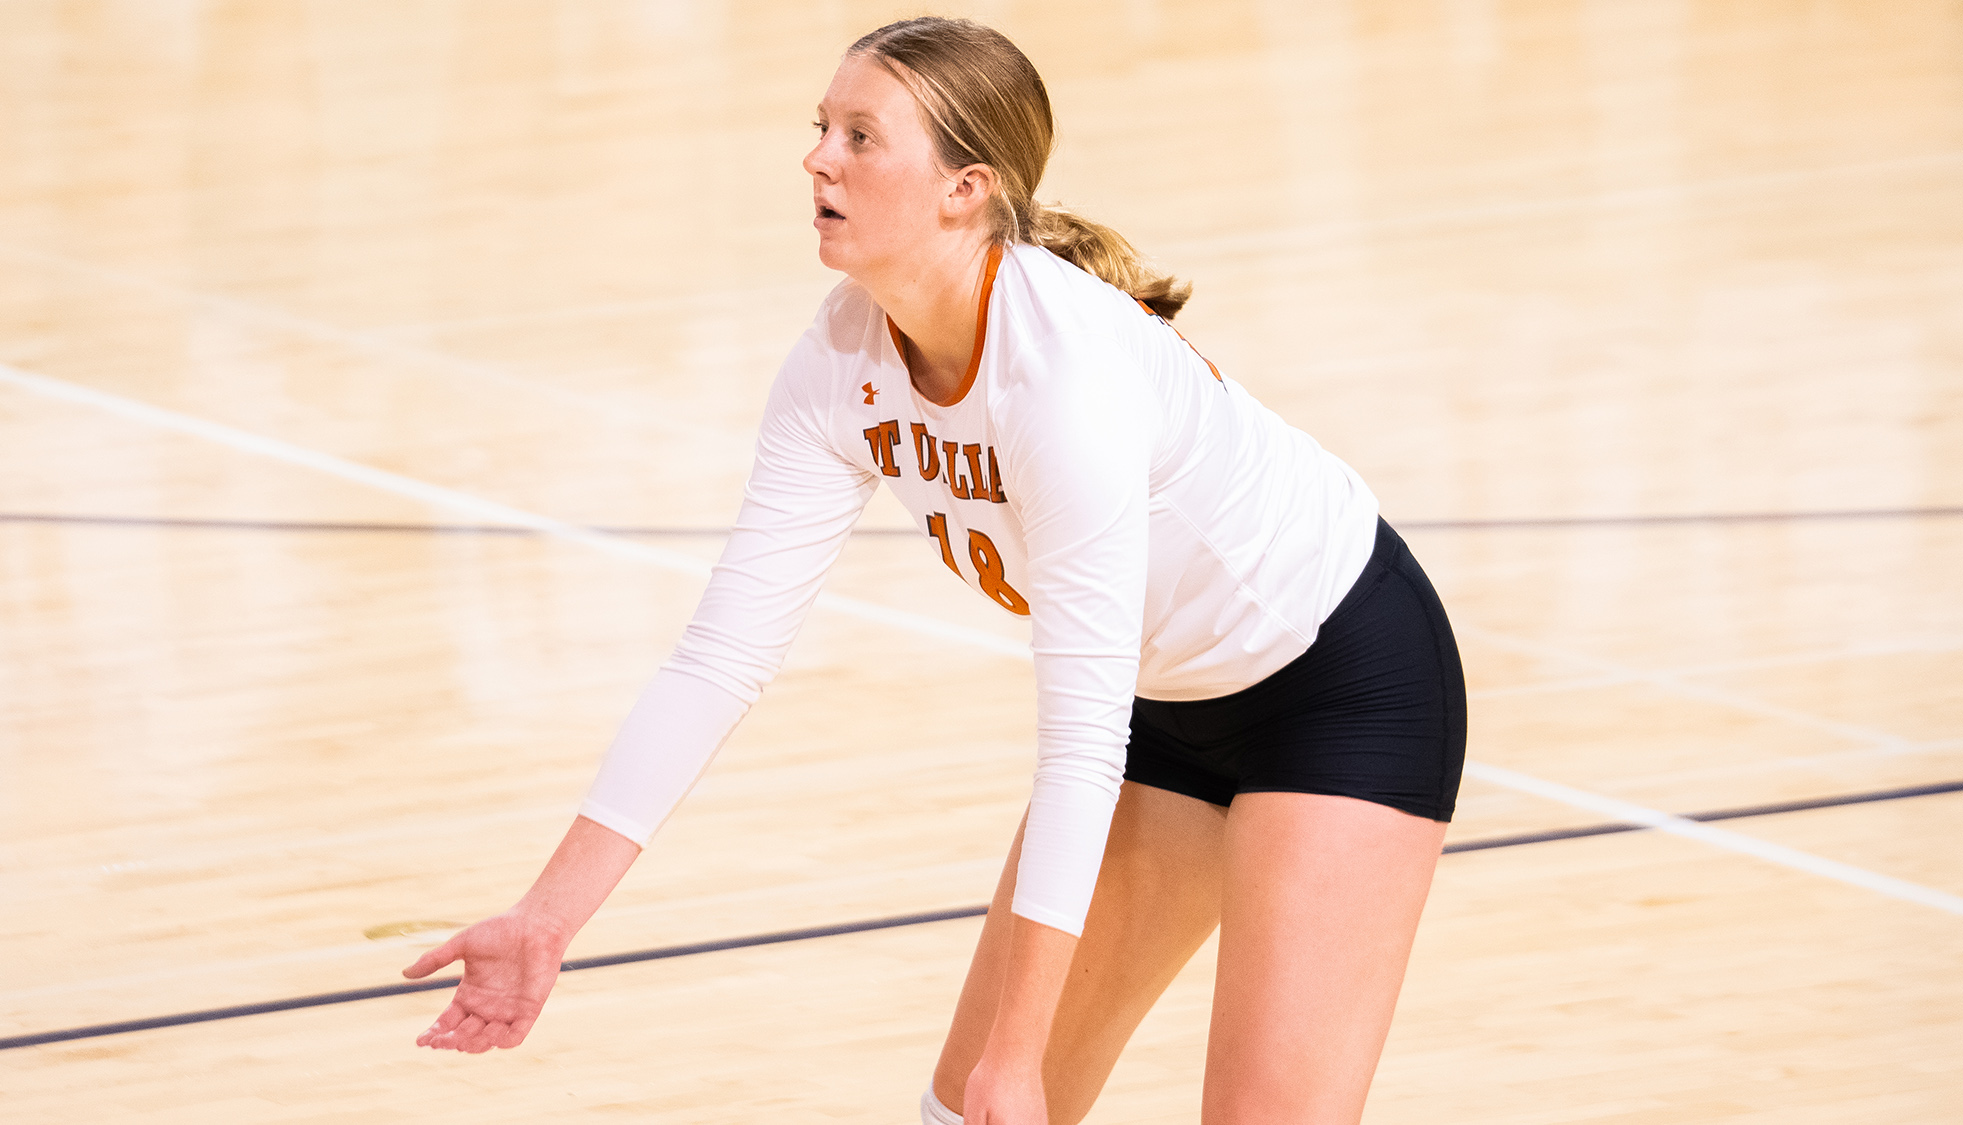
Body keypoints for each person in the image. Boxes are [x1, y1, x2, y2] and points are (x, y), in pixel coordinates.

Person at [403, 17, 1466, 1125]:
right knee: (965, 1115)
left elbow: (1076, 737)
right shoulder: (839, 358)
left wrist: (1020, 1056)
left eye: (861, 137)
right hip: (1164, 705)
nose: (818, 158)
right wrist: (548, 917)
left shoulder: (1062, 373)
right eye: (821, 128)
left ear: (965, 187)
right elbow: (721, 654)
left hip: (1340, 690)